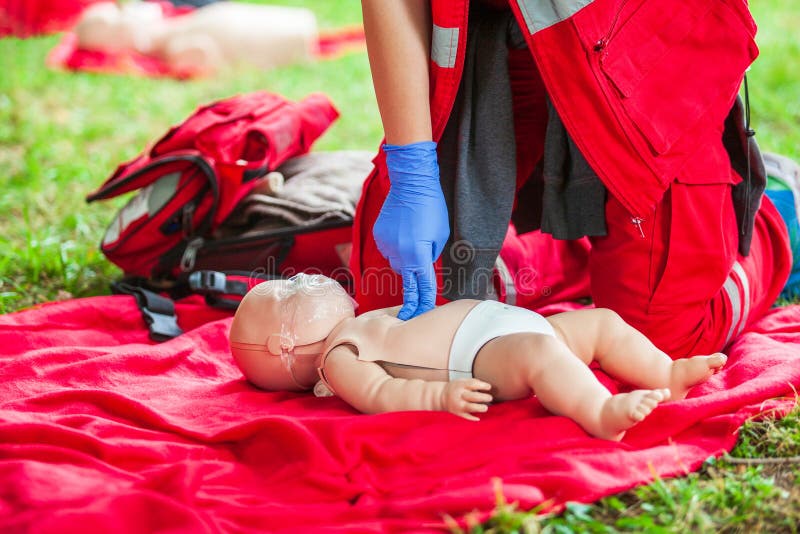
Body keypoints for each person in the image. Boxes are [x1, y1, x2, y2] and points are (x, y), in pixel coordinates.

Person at [355, 0, 797, 358]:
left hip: (636, 41)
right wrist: (412, 166)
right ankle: (562, 255)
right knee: (398, 328)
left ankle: (772, 225)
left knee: (658, 342)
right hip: (490, 39)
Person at [229, 274, 727, 441]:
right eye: (290, 290)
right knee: (539, 354)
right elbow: (381, 394)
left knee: (602, 322)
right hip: (481, 355)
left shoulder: (358, 321)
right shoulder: (339, 357)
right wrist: (439, 396)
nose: (303, 281)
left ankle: (665, 371)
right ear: (283, 346)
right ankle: (597, 412)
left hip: (500, 324)